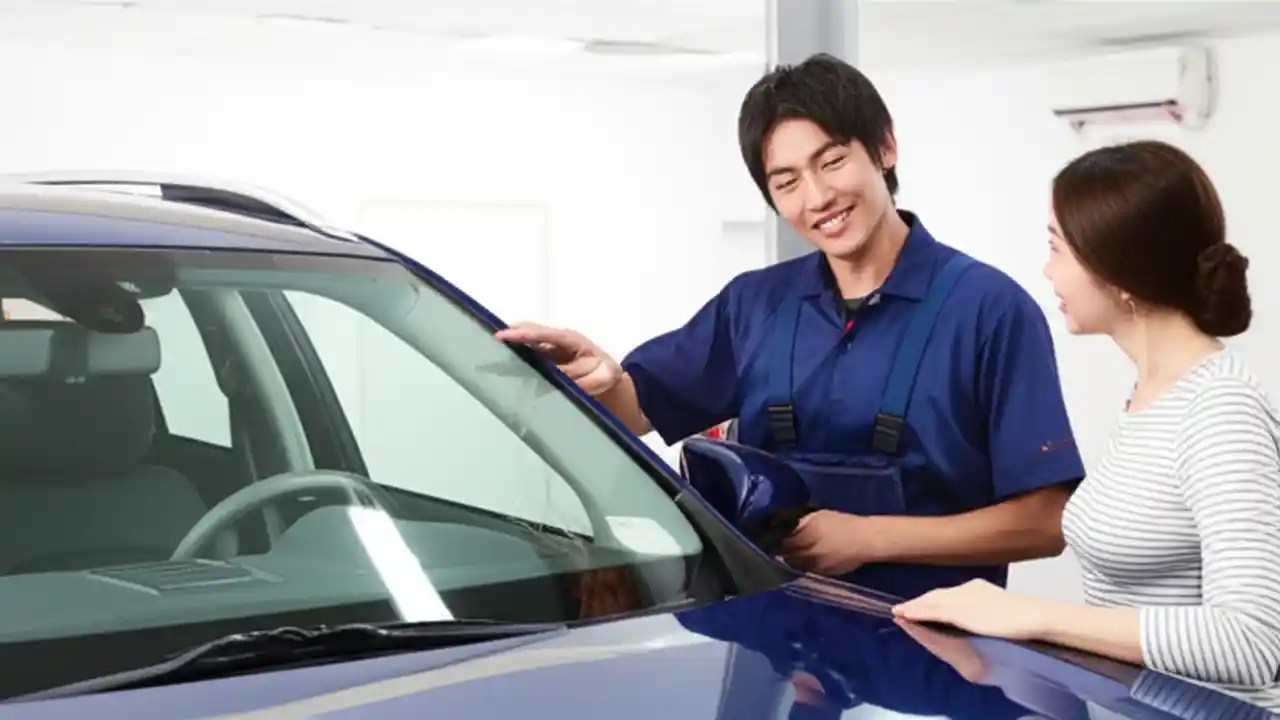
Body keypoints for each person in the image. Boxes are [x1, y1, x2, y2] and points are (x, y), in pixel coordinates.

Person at [496, 53, 1085, 600]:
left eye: (832, 161)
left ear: (884, 148)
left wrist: (870, 538)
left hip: (939, 659)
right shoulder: (755, 305)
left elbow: (1045, 523)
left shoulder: (988, 311)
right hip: (777, 656)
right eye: (787, 182)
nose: (819, 196)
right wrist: (600, 382)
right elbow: (637, 409)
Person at [892, 140, 1280, 710]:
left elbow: (1252, 642)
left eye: (1057, 248)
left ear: (1116, 270)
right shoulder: (1152, 397)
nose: (1047, 270)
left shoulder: (1219, 411)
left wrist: (1028, 618)